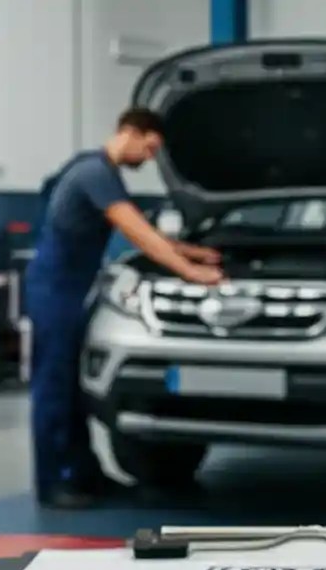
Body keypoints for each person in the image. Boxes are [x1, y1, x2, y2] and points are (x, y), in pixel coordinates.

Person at [25, 107, 223, 509]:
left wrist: (193, 251)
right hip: (55, 289)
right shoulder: (94, 173)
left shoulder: (99, 172)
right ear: (132, 132)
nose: (149, 158)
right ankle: (52, 484)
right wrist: (190, 272)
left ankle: (84, 475)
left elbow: (142, 232)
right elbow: (137, 232)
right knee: (53, 386)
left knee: (72, 388)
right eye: (149, 148)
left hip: (71, 288)